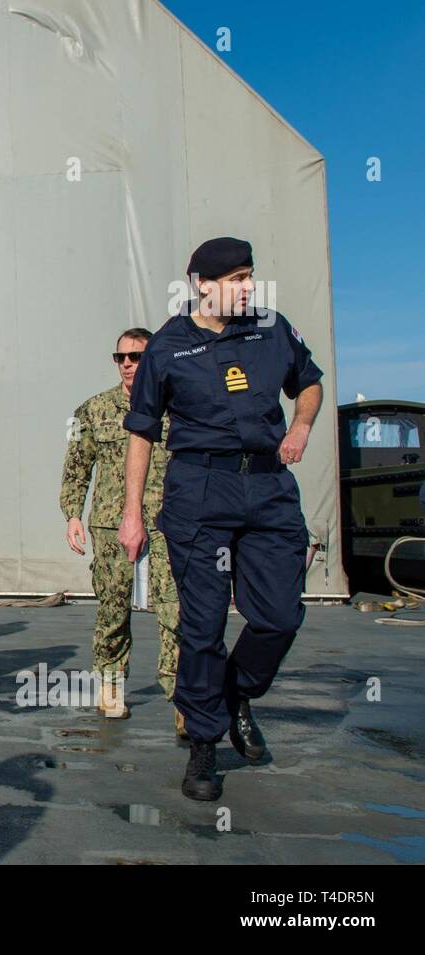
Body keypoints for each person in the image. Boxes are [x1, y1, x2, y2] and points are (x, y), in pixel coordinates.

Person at [118, 237, 323, 801]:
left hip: (268, 485)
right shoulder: (167, 346)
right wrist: (131, 513)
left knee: (279, 616)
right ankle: (204, 743)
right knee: (202, 628)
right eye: (235, 278)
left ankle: (235, 697)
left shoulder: (271, 327)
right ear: (201, 284)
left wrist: (301, 424)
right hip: (199, 489)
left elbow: (308, 382)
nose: (248, 287)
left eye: (250, 275)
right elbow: (141, 429)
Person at [60, 328, 183, 733]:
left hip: (168, 523)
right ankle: (111, 687)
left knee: (176, 611)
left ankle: (184, 697)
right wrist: (72, 515)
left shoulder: (179, 406)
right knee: (113, 608)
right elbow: (77, 468)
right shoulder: (93, 411)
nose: (127, 364)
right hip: (111, 524)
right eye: (121, 358)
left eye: (136, 357)